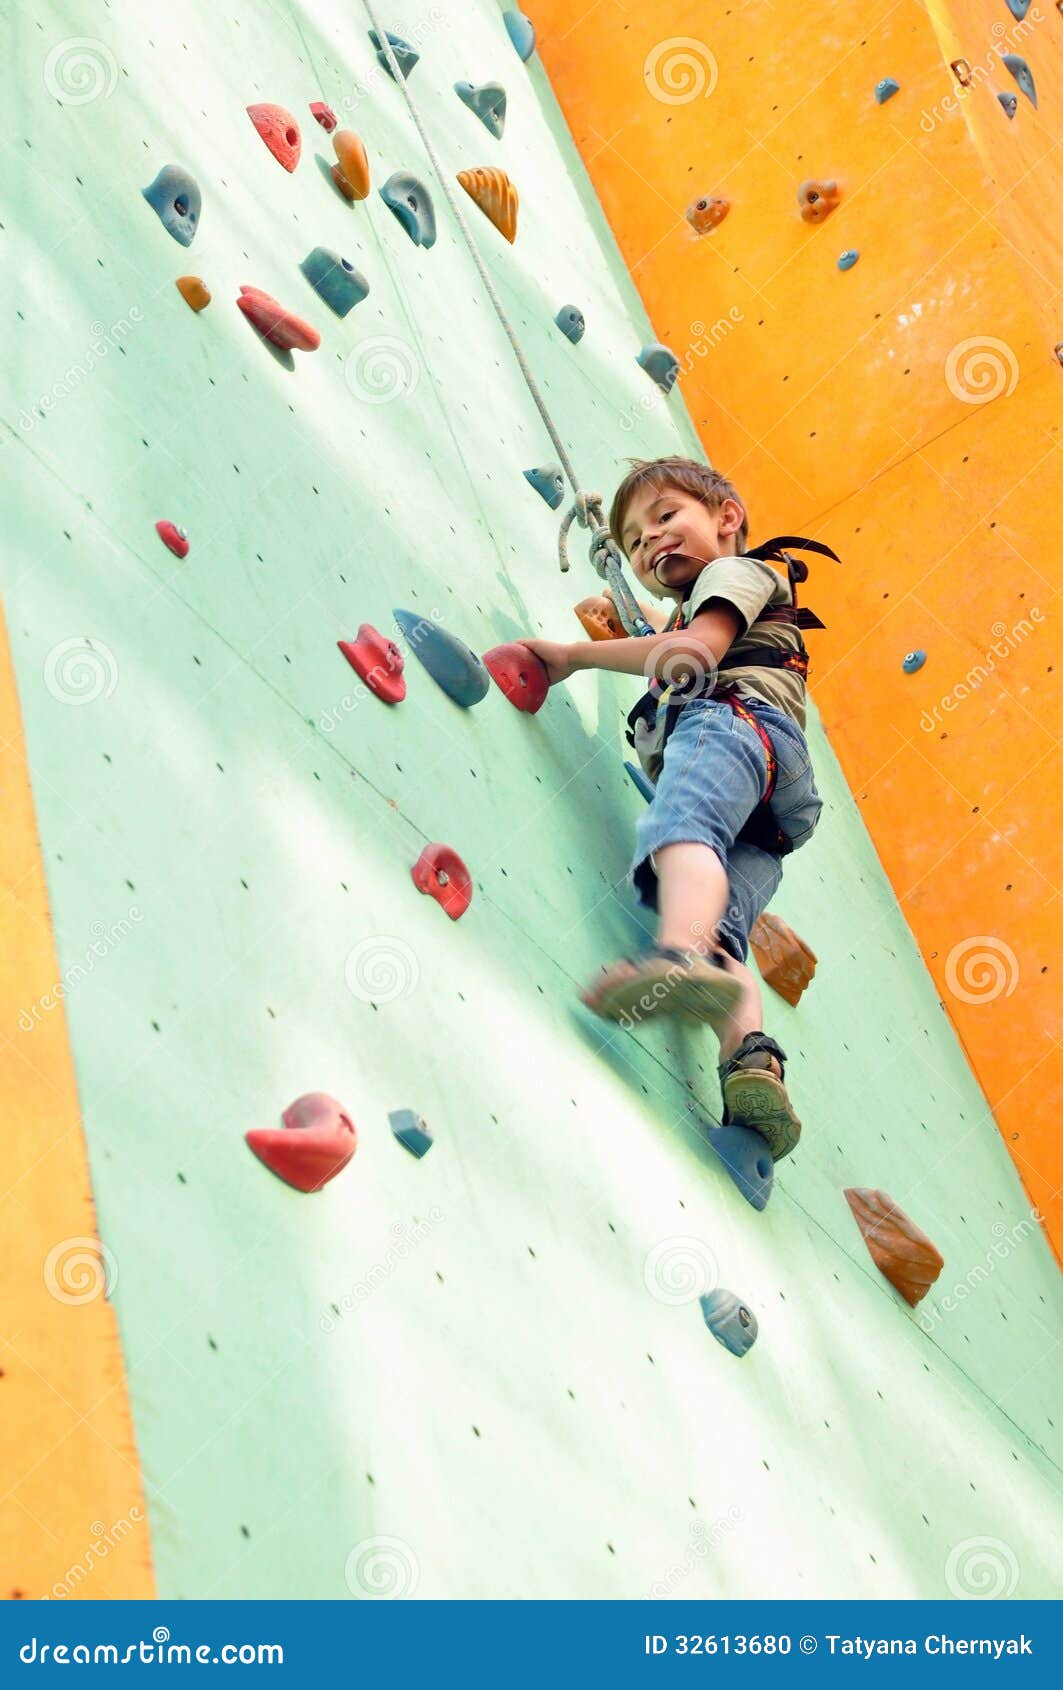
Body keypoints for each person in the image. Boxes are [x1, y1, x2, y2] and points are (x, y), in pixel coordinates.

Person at [522, 457, 832, 1160]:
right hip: (773, 809)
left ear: (726, 519)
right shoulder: (710, 592)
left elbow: (692, 652)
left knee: (681, 827)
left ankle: (675, 954)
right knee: (725, 932)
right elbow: (675, 633)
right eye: (633, 541)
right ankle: (751, 1064)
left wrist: (575, 655)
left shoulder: (733, 573)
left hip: (734, 728)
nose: (649, 542)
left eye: (665, 518)